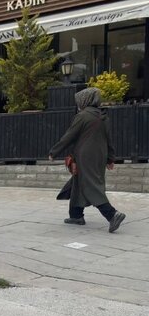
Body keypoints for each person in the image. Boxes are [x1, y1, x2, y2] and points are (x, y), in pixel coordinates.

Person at [49, 87, 125, 232]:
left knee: (90, 185)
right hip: (99, 156)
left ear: (85, 100)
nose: (78, 104)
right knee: (78, 183)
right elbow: (108, 140)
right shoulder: (102, 116)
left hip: (85, 156)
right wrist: (110, 158)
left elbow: (69, 136)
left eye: (79, 101)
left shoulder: (83, 116)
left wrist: (54, 151)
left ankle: (112, 214)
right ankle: (76, 215)